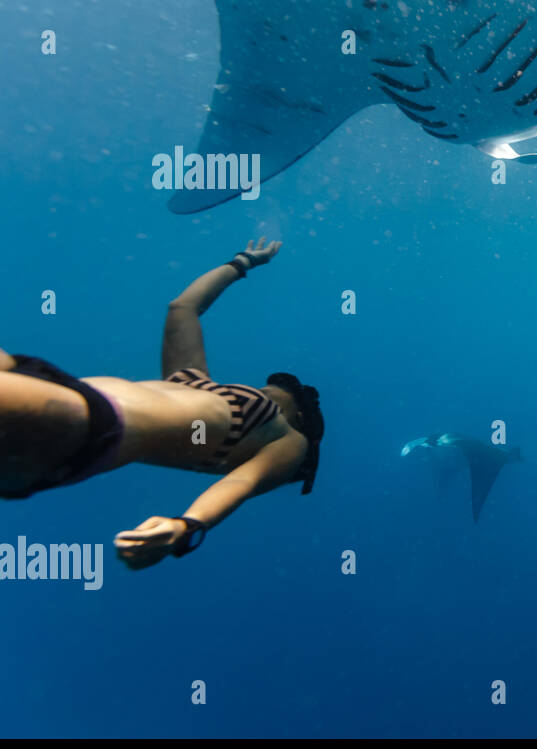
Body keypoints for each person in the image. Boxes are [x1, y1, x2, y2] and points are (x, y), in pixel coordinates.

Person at [0, 239, 324, 568]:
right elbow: (182, 309)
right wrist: (242, 263)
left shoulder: (290, 439)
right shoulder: (195, 383)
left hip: (90, 424)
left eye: (284, 389)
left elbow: (242, 482)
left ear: (299, 414)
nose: (266, 386)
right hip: (54, 387)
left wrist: (188, 524)